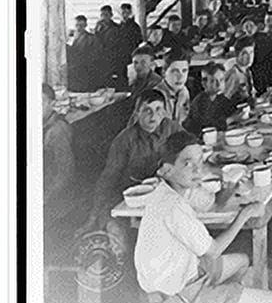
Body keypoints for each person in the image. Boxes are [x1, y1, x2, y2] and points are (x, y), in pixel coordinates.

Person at [134, 131, 272, 303]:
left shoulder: (168, 188)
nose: (197, 169)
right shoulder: (173, 206)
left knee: (242, 261)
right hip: (178, 299)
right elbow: (214, 251)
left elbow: (211, 202)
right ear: (166, 169)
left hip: (183, 277)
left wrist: (230, 187)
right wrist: (245, 214)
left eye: (200, 161)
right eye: (188, 163)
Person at [82, 89, 184, 241]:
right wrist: (94, 215)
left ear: (164, 112)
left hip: (168, 196)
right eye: (147, 110)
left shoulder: (173, 129)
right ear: (137, 113)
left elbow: (192, 152)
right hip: (133, 200)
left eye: (158, 110)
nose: (153, 116)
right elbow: (108, 179)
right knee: (116, 235)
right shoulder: (124, 140)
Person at [42, 83, 75, 250]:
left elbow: (65, 173)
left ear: (52, 104)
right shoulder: (39, 125)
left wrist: (44, 198)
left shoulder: (56, 131)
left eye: (39, 103)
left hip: (54, 197)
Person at [184, 62, 237, 134]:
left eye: (221, 80)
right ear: (204, 84)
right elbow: (209, 128)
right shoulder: (200, 102)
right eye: (213, 81)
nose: (219, 85)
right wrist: (232, 119)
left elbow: (231, 110)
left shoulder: (219, 97)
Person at [67, 15, 103, 91]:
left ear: (86, 25)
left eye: (81, 25)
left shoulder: (92, 38)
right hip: (74, 72)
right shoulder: (71, 37)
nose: (79, 28)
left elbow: (96, 57)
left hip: (86, 72)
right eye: (77, 25)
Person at [156, 49, 191, 126]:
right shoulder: (156, 96)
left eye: (184, 71)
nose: (180, 77)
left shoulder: (184, 92)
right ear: (164, 72)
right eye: (175, 71)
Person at [223, 38, 256, 104]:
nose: (250, 56)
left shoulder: (247, 72)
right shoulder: (233, 75)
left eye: (251, 52)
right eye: (245, 53)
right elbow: (224, 101)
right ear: (237, 54)